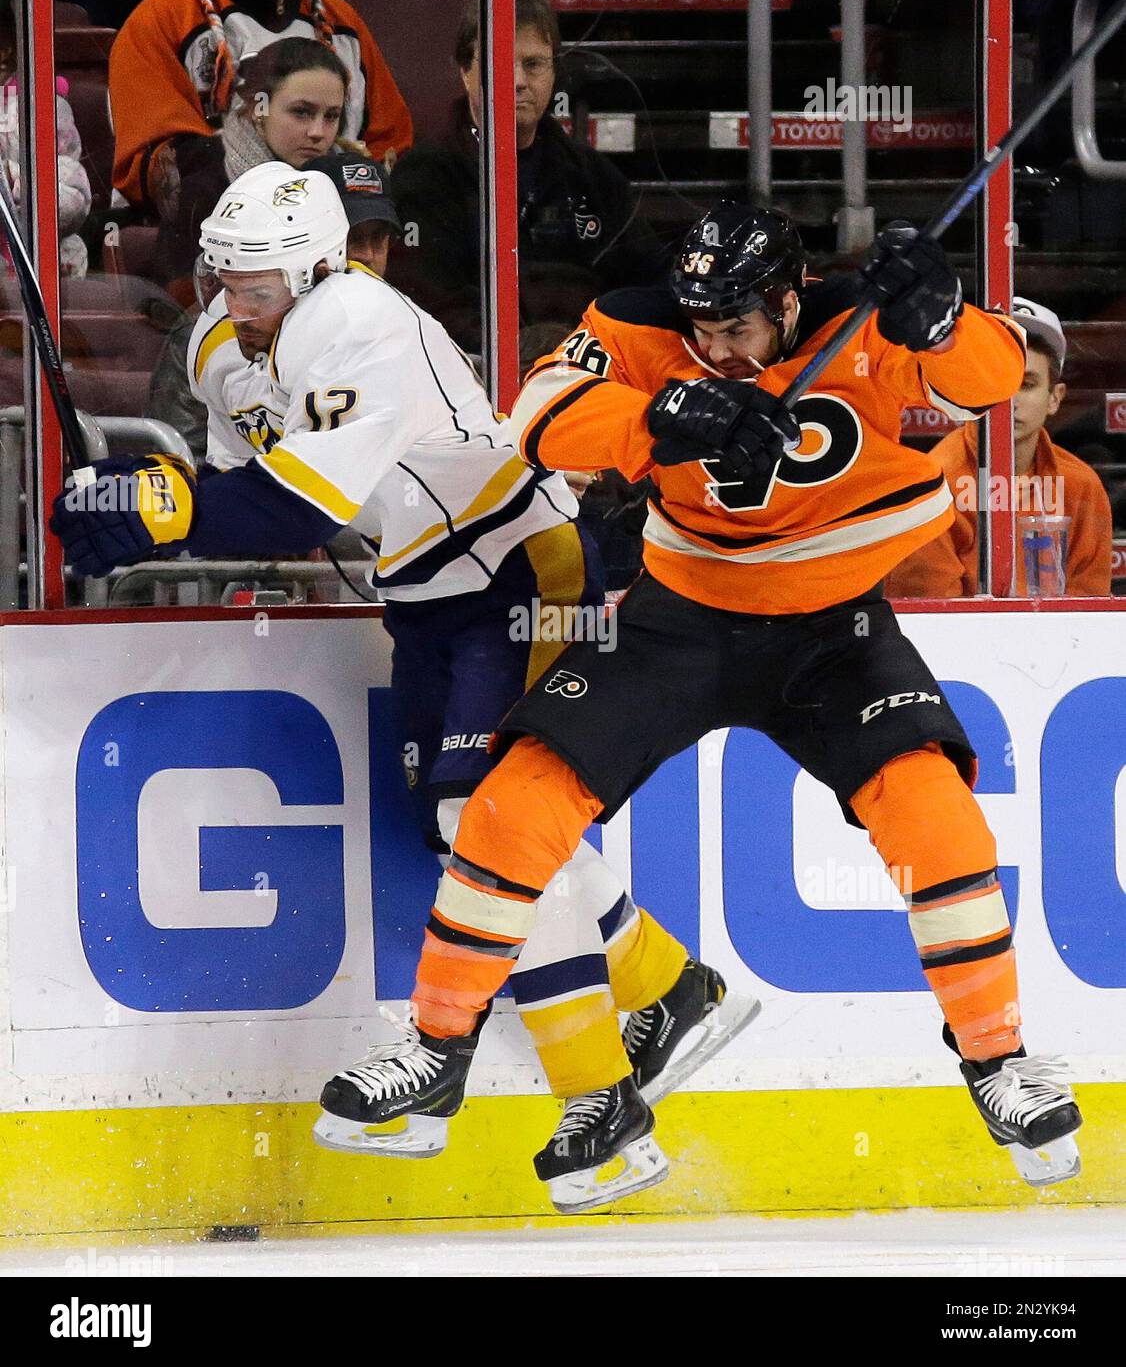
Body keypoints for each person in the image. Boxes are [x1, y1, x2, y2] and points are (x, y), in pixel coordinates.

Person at [314, 203, 1085, 1194]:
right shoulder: (642, 324)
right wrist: (658, 418)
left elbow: (980, 381)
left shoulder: (869, 321)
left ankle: (997, 1059)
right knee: (509, 806)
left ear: (790, 300)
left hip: (832, 629)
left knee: (934, 816)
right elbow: (535, 418)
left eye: (738, 327)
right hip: (679, 621)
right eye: (701, 326)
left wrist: (945, 316)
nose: (715, 347)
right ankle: (433, 1053)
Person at [49, 161, 757, 1213]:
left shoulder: (359, 324)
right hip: (427, 589)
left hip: (522, 564)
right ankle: (667, 992)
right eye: (222, 279)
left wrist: (159, 512)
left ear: (320, 269)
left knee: (489, 822)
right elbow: (232, 485)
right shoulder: (219, 342)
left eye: (257, 287)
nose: (234, 306)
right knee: (452, 827)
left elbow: (290, 509)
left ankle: (601, 1098)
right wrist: (122, 494)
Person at [387, 0, 665, 356]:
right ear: (465, 72)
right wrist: (522, 352)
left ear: (553, 72)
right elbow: (426, 304)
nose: (518, 80)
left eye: (533, 64)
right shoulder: (424, 175)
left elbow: (652, 279)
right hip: (474, 373)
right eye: (499, 62)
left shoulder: (594, 175)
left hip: (591, 367)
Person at [146, 149, 403, 461]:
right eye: (350, 239)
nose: (368, 256)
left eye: (379, 239)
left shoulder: (397, 339)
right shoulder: (214, 338)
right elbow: (207, 463)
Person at [108, 0, 412, 216]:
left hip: (342, 232)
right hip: (217, 243)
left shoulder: (344, 24)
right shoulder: (161, 20)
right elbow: (163, 173)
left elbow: (390, 150)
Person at [885, 297, 1112, 598]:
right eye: (996, 379)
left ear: (1055, 398)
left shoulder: (1082, 486)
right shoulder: (930, 484)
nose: (1009, 398)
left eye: (1026, 384)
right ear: (969, 388)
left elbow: (1088, 611)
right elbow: (934, 616)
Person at [156, 36, 352, 296]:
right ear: (256, 108)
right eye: (301, 112)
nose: (318, 132)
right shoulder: (204, 184)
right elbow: (187, 299)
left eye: (331, 116)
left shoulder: (352, 181)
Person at [0, 0, 90, 277]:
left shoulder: (40, 108)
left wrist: (12, 180)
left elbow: (73, 200)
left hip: (41, 271)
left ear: (4, 52)